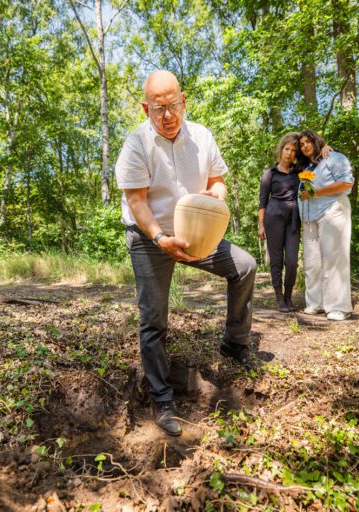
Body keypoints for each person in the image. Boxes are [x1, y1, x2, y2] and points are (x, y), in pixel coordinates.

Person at [115, 70, 258, 437]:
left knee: (244, 267)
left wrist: (218, 196)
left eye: (173, 105)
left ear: (184, 101)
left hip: (198, 229)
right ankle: (162, 398)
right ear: (146, 108)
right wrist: (161, 238)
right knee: (154, 319)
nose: (167, 115)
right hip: (151, 237)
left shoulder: (203, 136)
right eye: (158, 108)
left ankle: (234, 344)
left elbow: (217, 180)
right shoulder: (136, 144)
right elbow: (137, 202)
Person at [296, 129, 354, 321]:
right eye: (301, 144)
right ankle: (316, 303)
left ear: (316, 141)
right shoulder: (307, 168)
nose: (305, 146)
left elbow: (346, 184)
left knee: (333, 259)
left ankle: (339, 306)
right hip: (310, 218)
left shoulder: (334, 157)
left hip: (332, 211)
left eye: (308, 142)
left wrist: (316, 193)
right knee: (312, 263)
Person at [258, 133, 301, 312]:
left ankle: (289, 296)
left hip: (293, 219)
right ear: (281, 150)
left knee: (291, 261)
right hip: (273, 217)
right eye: (287, 149)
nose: (289, 153)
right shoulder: (270, 173)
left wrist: (325, 148)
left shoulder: (300, 172)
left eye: (293, 150)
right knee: (276, 260)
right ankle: (279, 298)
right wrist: (260, 225)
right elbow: (262, 201)